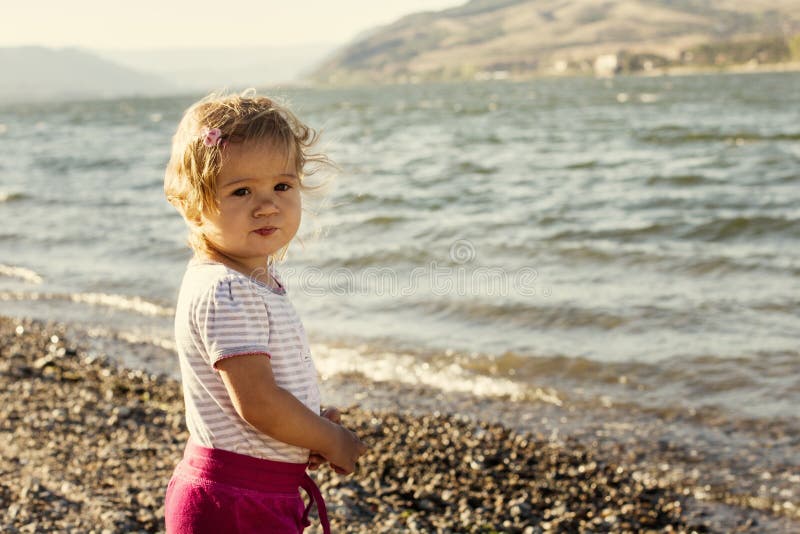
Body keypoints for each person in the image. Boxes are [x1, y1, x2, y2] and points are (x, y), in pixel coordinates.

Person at [163, 90, 367, 533]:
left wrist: (307, 426)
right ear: (194, 206)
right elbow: (257, 402)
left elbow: (267, 396)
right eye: (241, 190)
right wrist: (331, 440)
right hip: (238, 500)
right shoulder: (227, 291)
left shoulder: (241, 282)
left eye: (282, 185)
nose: (267, 204)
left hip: (249, 492)